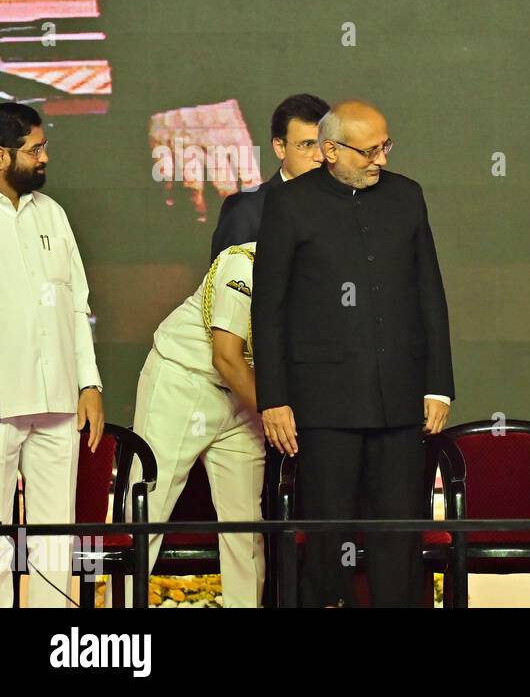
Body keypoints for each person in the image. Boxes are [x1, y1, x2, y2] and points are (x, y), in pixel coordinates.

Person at [253, 100, 453, 607]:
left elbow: (430, 292)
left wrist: (438, 384)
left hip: (402, 398)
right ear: (329, 151)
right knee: (328, 537)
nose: (379, 160)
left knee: (399, 535)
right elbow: (269, 308)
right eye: (367, 151)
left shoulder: (407, 196)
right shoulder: (289, 203)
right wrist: (273, 398)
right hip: (322, 404)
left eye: (385, 146)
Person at [0, 102, 104, 608]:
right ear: (2, 156)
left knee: (55, 539)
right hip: (0, 402)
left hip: (60, 402)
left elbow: (78, 305)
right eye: (34, 149)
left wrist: (89, 384)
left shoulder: (53, 215)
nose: (44, 157)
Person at [129, 242, 266, 606]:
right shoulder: (243, 264)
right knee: (149, 513)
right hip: (184, 380)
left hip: (244, 396)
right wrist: (280, 418)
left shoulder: (317, 275)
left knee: (246, 528)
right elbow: (226, 358)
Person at [209, 93, 329, 260]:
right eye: (307, 145)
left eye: (326, 145)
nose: (320, 156)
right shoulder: (246, 210)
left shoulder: (346, 206)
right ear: (280, 148)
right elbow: (225, 282)